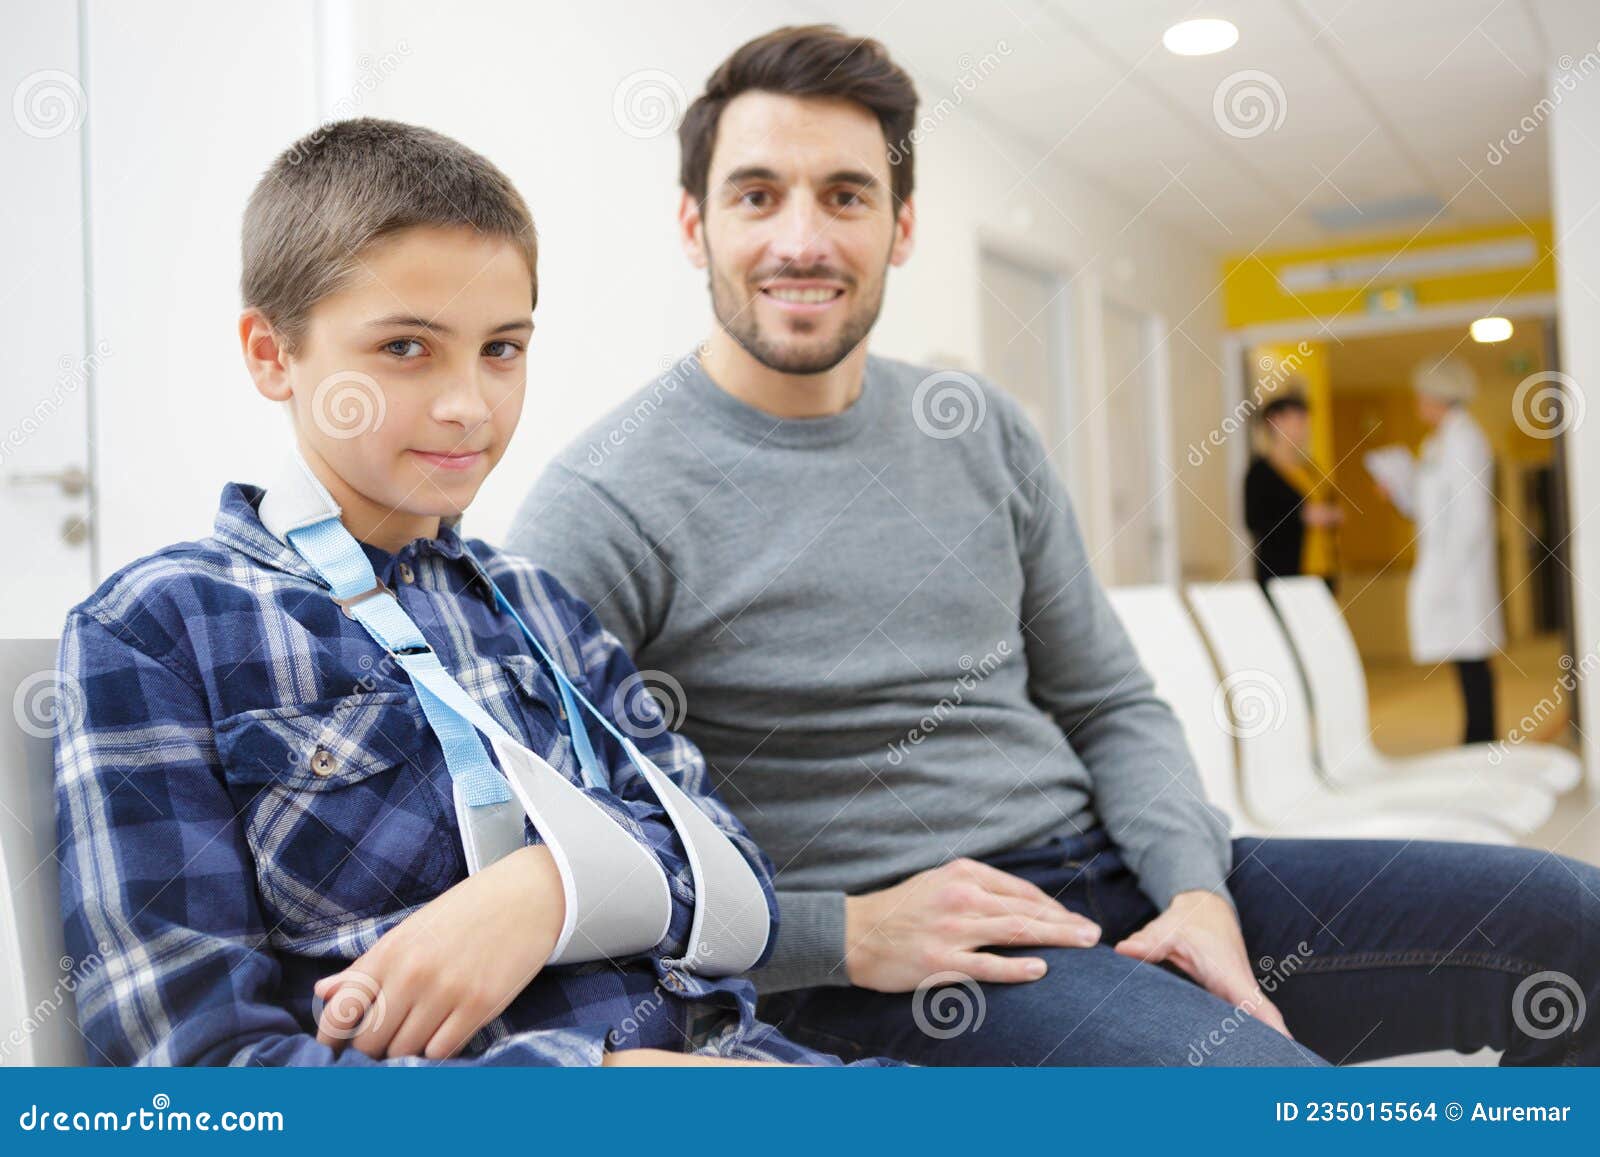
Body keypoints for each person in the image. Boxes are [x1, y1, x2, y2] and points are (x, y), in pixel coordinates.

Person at [510, 24, 1600, 1067]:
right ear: (695, 225)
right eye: (757, 195)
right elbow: (553, 858)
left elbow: (1110, 700)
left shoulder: (977, 427)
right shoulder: (606, 497)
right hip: (914, 957)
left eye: (846, 195)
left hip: (1120, 876)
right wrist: (834, 934)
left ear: (900, 226)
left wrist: (1194, 888)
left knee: (1573, 922)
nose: (803, 239)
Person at [52, 118, 894, 1068]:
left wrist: (550, 889)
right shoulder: (161, 629)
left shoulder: (540, 605)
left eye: (502, 348)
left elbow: (741, 889)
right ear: (271, 353)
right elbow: (198, 1072)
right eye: (407, 348)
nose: (469, 404)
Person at [1375, 355, 1504, 745]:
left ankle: (1482, 741)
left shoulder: (1465, 440)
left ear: (1439, 397)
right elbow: (1427, 507)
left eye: (1422, 395)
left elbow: (1471, 516)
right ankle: (1476, 738)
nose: (1418, 402)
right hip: (1446, 566)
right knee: (1463, 658)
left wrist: (1446, 576)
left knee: (1473, 659)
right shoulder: (1437, 443)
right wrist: (1398, 489)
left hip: (1460, 573)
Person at [1244, 393, 1342, 584]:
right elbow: (1254, 520)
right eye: (1297, 421)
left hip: (1321, 573)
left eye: (1305, 422)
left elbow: (1326, 502)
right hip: (1282, 576)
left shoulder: (1309, 469)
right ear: (1274, 422)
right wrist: (1301, 516)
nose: (1304, 429)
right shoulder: (1260, 473)